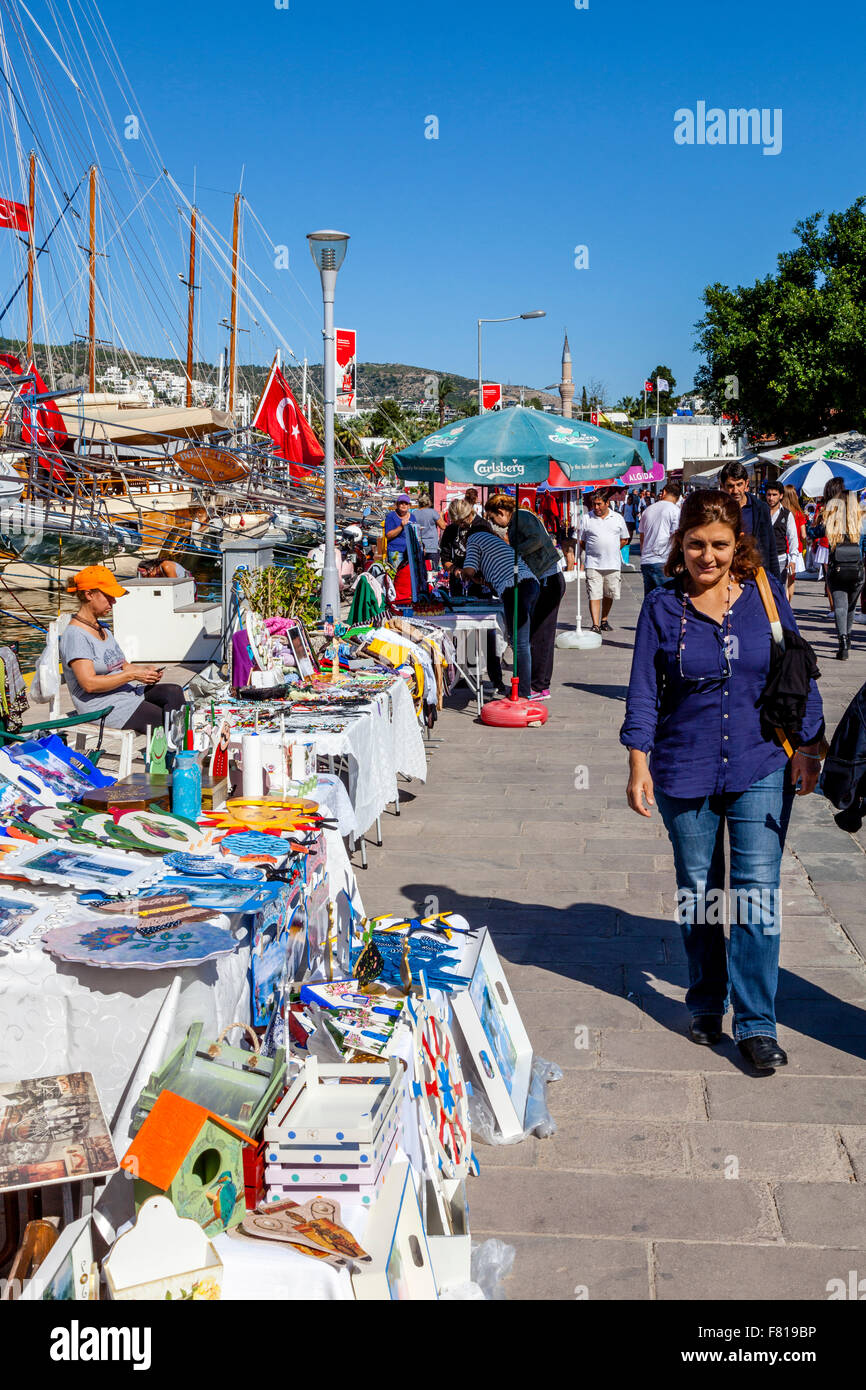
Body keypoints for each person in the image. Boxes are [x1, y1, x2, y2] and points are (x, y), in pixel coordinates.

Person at [621, 491, 825, 1071]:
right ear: (678, 545)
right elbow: (643, 691)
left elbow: (799, 672)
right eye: (694, 544)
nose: (705, 556)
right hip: (685, 767)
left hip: (761, 762)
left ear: (737, 545)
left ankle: (757, 1024)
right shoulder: (662, 607)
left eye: (717, 544)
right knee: (701, 894)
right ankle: (707, 1000)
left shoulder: (764, 596)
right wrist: (638, 761)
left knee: (756, 893)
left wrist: (808, 746)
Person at [59, 565, 185, 734]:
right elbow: (89, 684)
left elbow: (122, 665)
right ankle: (174, 752)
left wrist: (144, 671)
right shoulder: (76, 635)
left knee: (174, 692)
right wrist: (132, 675)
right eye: (108, 596)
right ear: (89, 594)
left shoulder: (101, 627)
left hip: (123, 693)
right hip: (99, 705)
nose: (114, 601)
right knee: (163, 721)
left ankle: (177, 751)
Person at [487, 493, 565, 701]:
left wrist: (513, 551)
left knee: (541, 636)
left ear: (501, 512)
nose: (497, 524)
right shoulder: (518, 520)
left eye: (495, 519)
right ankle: (537, 684)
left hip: (549, 580)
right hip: (545, 580)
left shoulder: (521, 517)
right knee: (537, 635)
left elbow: (537, 540)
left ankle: (538, 686)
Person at [457, 527, 538, 699]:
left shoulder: (474, 539)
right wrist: (482, 581)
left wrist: (460, 572)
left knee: (519, 643)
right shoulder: (496, 543)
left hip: (515, 588)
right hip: (531, 584)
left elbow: (469, 570)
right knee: (523, 642)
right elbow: (495, 575)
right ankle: (525, 688)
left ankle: (523, 692)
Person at [578, 489, 630, 634]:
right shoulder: (587, 518)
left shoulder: (617, 518)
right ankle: (595, 625)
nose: (596, 507)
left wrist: (613, 548)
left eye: (599, 504)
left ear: (607, 503)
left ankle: (604, 620)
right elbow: (582, 541)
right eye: (594, 504)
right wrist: (592, 550)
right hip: (593, 564)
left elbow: (625, 539)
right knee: (594, 594)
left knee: (609, 593)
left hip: (612, 564)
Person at [823, 493, 865, 660]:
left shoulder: (832, 522)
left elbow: (813, 533)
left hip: (837, 570)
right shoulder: (862, 523)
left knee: (840, 606)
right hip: (857, 571)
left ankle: (843, 641)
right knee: (851, 607)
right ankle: (848, 637)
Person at [719, 460, 775, 570]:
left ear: (746, 484)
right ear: (722, 486)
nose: (735, 490)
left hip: (755, 570)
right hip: (726, 571)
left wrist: (775, 583)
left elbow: (770, 547)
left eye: (739, 484)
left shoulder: (760, 509)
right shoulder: (718, 510)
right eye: (730, 486)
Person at [639, 480, 682, 595]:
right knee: (666, 600)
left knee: (650, 601)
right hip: (664, 561)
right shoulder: (675, 511)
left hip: (646, 561)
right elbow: (676, 537)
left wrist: (644, 554)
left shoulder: (648, 510)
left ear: (664, 493)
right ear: (678, 498)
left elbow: (642, 537)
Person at [763, 481, 798, 589]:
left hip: (781, 558)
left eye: (774, 495)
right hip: (763, 558)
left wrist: (793, 560)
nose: (771, 498)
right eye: (769, 494)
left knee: (779, 590)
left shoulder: (787, 514)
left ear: (781, 496)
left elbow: (792, 537)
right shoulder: (761, 512)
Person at [782, 485, 807, 602]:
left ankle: (784, 605)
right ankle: (788, 605)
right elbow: (803, 535)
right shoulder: (799, 513)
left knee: (782, 580)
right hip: (795, 550)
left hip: (782, 548)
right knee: (791, 580)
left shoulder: (781, 512)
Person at [410, 492, 445, 569]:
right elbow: (443, 526)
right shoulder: (433, 512)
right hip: (432, 546)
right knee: (432, 571)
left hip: (419, 546)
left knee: (419, 571)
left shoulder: (414, 513)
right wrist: (441, 516)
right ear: (429, 502)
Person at [383, 494, 413, 567]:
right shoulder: (391, 516)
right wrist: (401, 526)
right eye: (401, 503)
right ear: (397, 504)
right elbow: (388, 535)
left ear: (409, 506)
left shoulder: (412, 517)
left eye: (406, 503)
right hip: (396, 551)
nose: (403, 505)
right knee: (397, 575)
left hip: (410, 552)